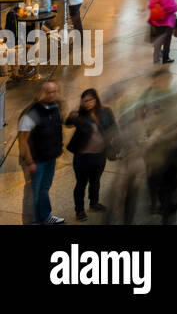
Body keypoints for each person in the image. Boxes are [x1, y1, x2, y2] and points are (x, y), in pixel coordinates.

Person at [64, 88, 116, 222]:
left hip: (100, 155)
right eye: (84, 101)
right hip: (82, 157)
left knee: (95, 181)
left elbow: (113, 128)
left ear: (96, 99)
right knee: (81, 184)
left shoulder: (106, 112)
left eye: (89, 100)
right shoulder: (79, 115)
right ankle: (79, 210)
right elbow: (68, 123)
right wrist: (72, 115)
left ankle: (94, 203)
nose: (86, 103)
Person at [18, 79, 65, 224]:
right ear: (40, 93)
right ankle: (33, 222)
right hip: (36, 161)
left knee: (44, 189)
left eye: (54, 92)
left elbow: (56, 129)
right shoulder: (30, 114)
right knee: (34, 193)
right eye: (48, 92)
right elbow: (23, 141)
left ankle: (45, 216)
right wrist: (30, 161)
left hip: (50, 157)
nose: (52, 95)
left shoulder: (54, 107)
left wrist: (58, 148)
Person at [147, 0, 177, 64]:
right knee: (167, 41)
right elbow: (175, 8)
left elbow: (150, 6)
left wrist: (159, 9)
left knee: (159, 39)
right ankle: (166, 58)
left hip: (157, 22)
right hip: (168, 23)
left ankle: (156, 57)